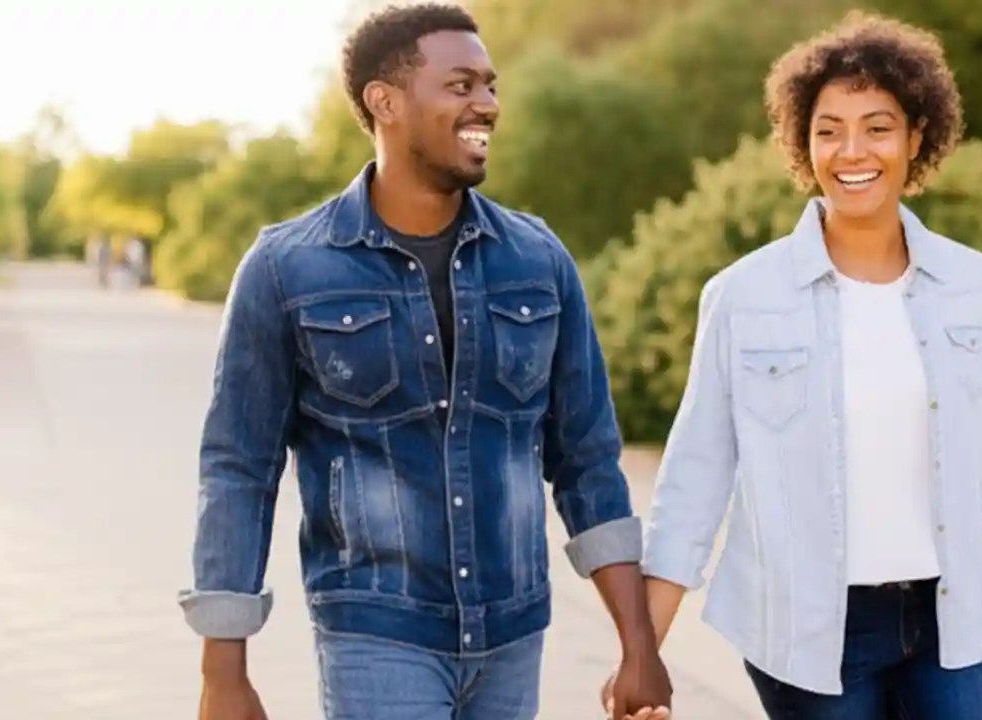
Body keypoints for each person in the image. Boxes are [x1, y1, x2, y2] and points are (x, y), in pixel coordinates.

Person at [178, 4, 671, 719]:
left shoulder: (538, 261)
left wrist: (639, 645)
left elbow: (588, 460)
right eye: (462, 85)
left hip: (513, 634)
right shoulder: (287, 269)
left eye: (491, 86)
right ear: (386, 101)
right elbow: (237, 468)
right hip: (376, 633)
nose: (488, 105)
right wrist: (223, 671)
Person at [605, 12, 982, 720]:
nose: (854, 150)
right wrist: (644, 651)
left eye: (878, 127)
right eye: (828, 129)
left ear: (917, 137)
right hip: (808, 633)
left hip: (957, 618)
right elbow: (693, 484)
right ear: (802, 144)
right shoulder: (743, 296)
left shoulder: (975, 287)